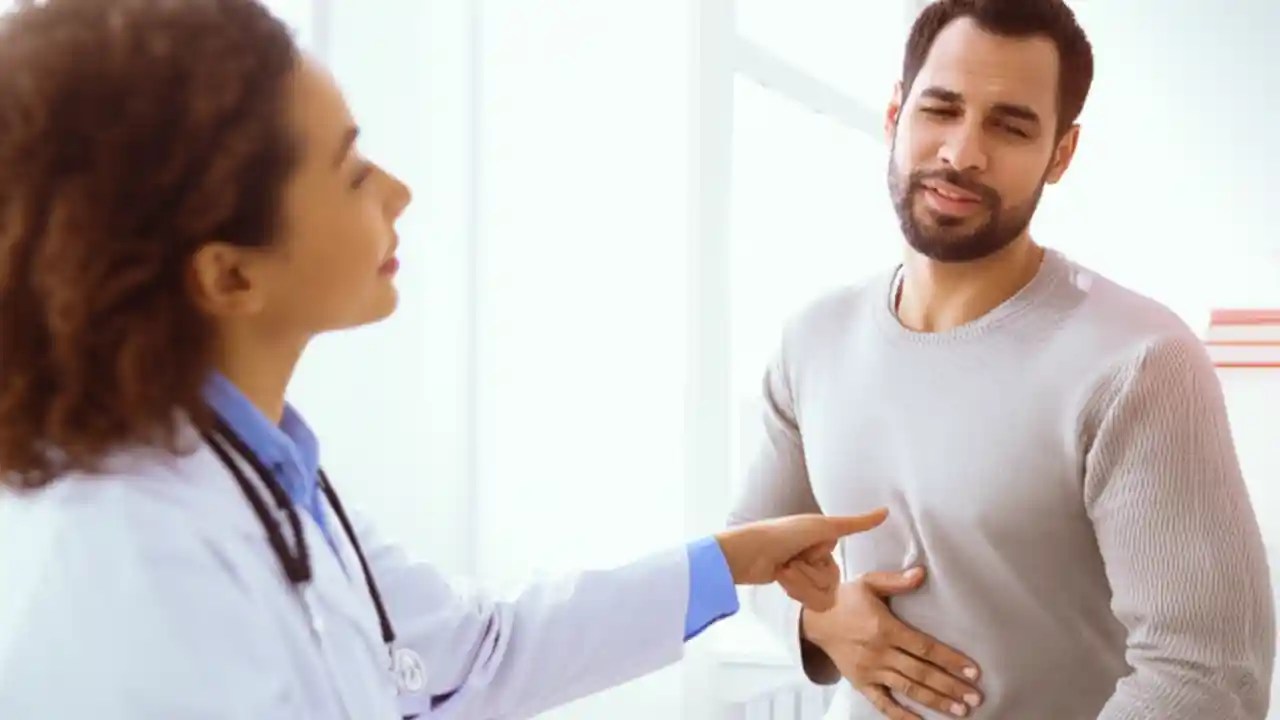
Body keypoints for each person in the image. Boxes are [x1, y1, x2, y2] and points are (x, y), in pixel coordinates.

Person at [0, 1, 893, 718]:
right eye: (351, 171)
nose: (399, 190)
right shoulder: (128, 575)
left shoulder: (266, 473)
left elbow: (474, 654)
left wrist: (728, 560)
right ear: (229, 274)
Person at [728, 0, 1275, 718]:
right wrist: (821, 622)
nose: (962, 152)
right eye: (940, 109)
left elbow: (1209, 671)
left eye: (1010, 125)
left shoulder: (1141, 362)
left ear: (1061, 153)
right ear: (895, 114)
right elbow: (745, 557)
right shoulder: (814, 338)